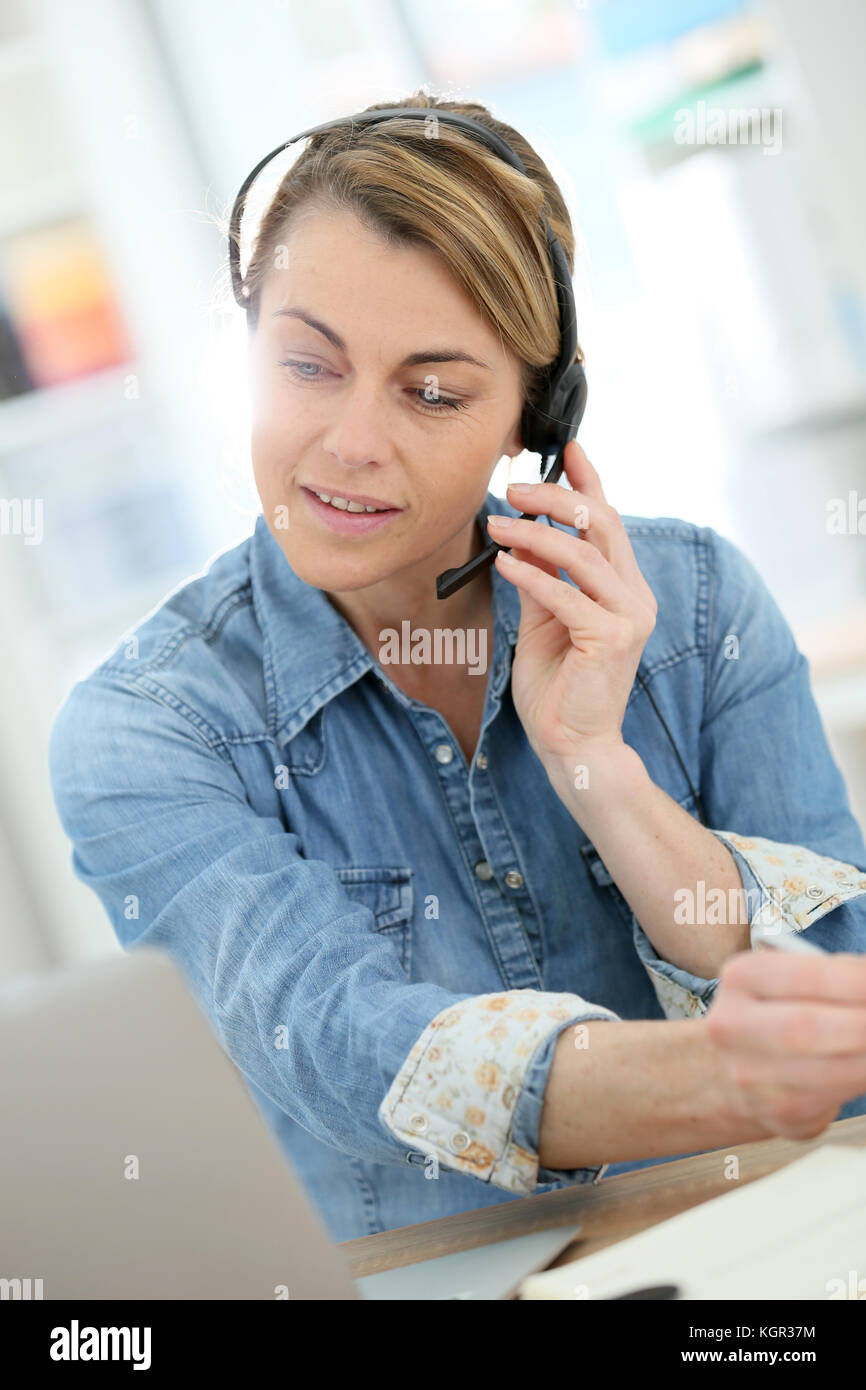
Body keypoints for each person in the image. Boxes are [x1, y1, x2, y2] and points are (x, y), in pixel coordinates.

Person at [49, 92, 866, 1244]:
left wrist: (599, 771)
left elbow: (836, 978)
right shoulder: (148, 725)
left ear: (536, 417)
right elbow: (337, 1043)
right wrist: (737, 1074)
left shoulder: (693, 608)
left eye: (431, 392)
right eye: (306, 364)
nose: (349, 443)